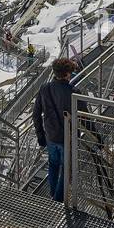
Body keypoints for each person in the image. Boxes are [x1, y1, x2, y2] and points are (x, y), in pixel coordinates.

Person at [33, 58, 81, 202]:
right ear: (67, 74)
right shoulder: (74, 92)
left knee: (53, 165)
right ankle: (58, 200)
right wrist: (98, 140)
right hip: (67, 137)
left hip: (50, 136)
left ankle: (53, 194)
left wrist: (40, 136)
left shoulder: (44, 88)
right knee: (66, 170)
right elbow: (87, 119)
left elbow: (36, 114)